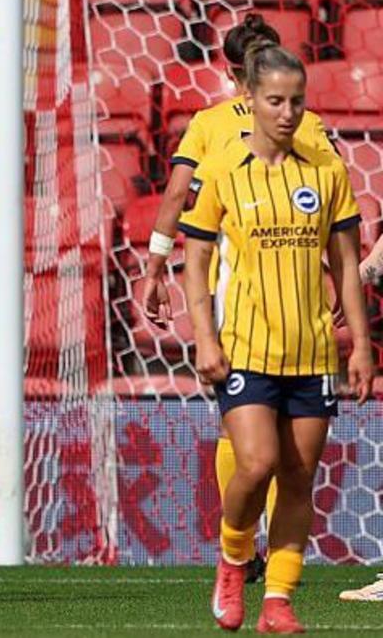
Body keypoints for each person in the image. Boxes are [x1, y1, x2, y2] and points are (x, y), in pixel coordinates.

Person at [179, 43, 373, 633]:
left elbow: (344, 263)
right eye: (275, 101)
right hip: (246, 345)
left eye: (296, 101)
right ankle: (234, 560)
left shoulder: (325, 172)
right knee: (257, 462)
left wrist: (360, 344)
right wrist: (204, 339)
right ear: (251, 101)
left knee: (297, 475)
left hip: (312, 350)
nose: (287, 113)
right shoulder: (222, 172)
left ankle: (279, 601)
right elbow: (195, 262)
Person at [140, 14, 340, 582]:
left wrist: (155, 266)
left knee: (243, 430)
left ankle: (243, 549)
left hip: (237, 292)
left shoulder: (206, 122)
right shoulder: (311, 123)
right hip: (300, 289)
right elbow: (329, 210)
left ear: (231, 73)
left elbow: (178, 192)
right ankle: (277, 553)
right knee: (292, 447)